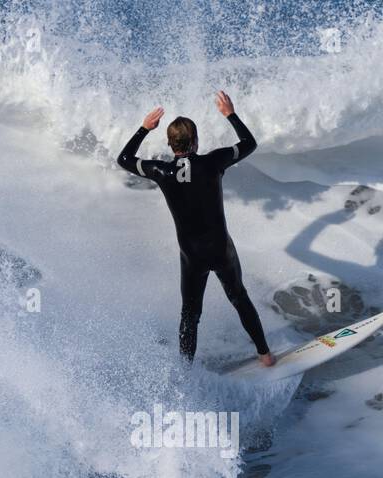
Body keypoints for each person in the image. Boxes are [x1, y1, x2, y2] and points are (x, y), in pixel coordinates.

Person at [116, 91, 274, 366]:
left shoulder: (161, 171)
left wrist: (144, 128)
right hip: (221, 250)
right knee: (239, 298)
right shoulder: (214, 162)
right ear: (196, 140)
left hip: (192, 257)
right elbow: (249, 143)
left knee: (190, 315)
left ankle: (186, 373)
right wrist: (230, 114)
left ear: (169, 143)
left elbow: (124, 159)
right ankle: (266, 356)